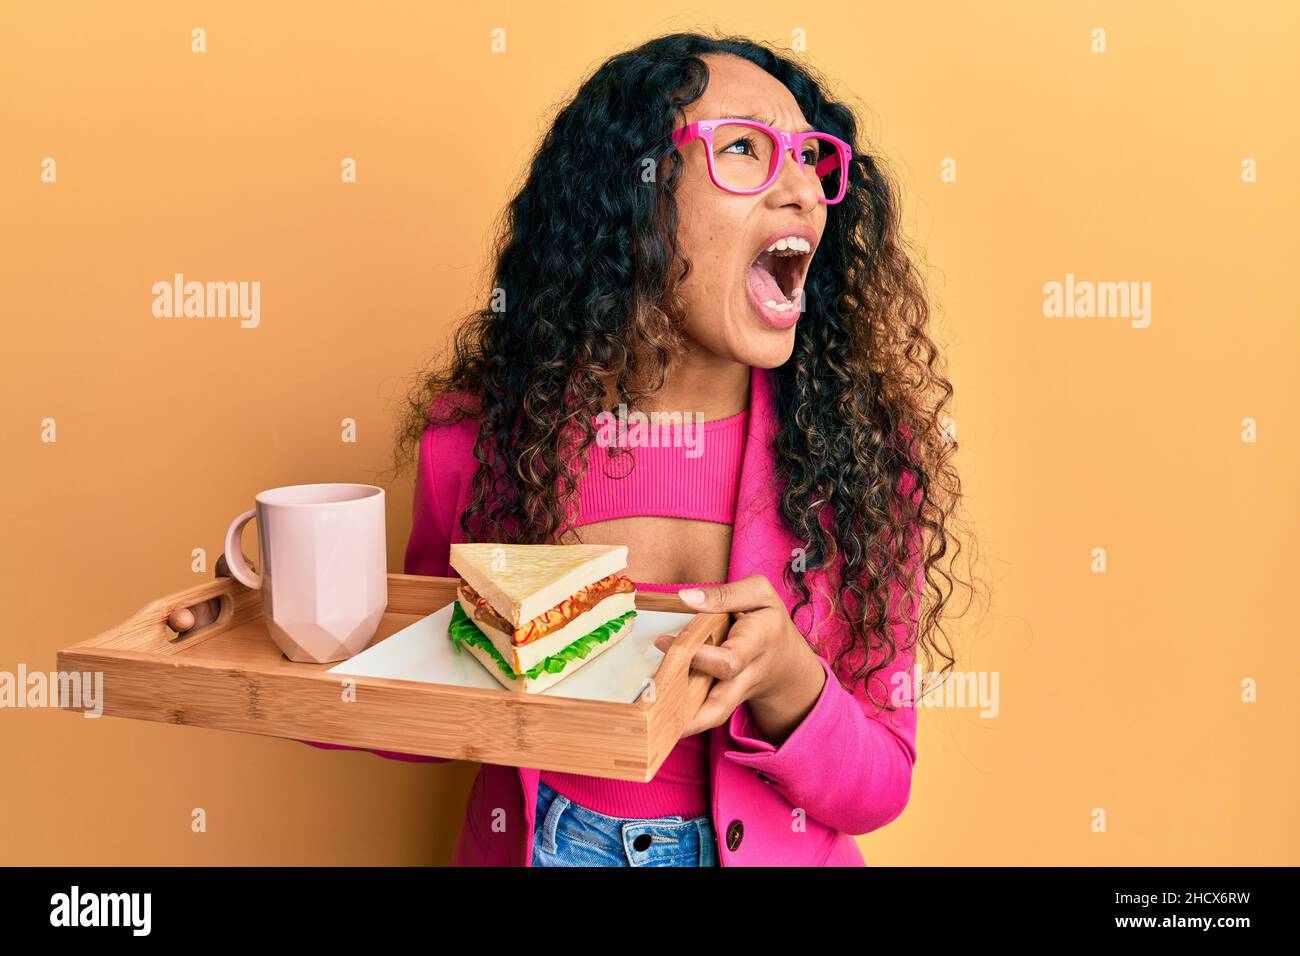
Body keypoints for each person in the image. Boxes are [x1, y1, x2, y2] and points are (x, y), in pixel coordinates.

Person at [169, 31, 966, 867]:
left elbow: (880, 787)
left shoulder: (862, 462)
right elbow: (424, 712)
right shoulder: (480, 444)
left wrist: (790, 683)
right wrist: (270, 636)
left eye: (810, 157)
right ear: (636, 197)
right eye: (745, 149)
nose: (805, 189)